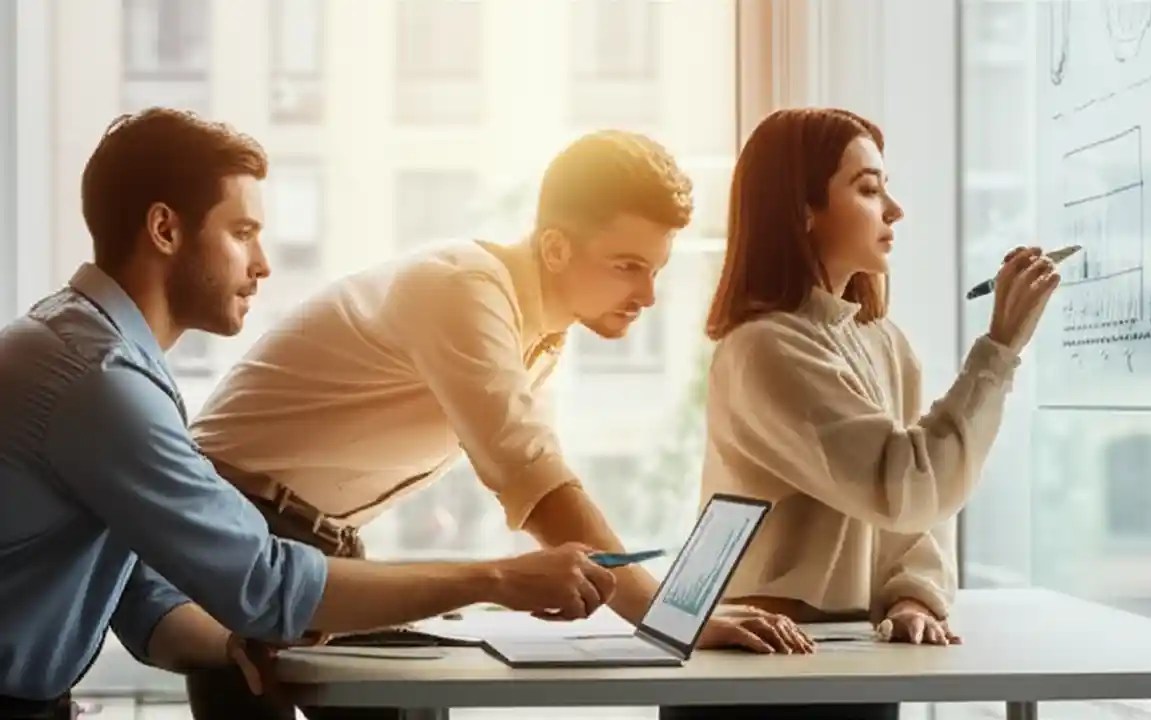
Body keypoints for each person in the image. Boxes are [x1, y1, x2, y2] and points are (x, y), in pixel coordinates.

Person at [0, 108, 618, 720]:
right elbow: (265, 583)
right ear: (164, 229)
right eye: (242, 233)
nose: (263, 263)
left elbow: (136, 594)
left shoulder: (95, 354)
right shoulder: (98, 379)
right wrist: (499, 581)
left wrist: (230, 645)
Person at [183, 128, 813, 718]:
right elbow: (531, 475)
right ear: (556, 247)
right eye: (627, 265)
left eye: (656, 269)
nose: (648, 294)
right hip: (232, 523)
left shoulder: (541, 333)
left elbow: (538, 471)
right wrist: (668, 612)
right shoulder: (464, 289)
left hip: (316, 537)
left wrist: (659, 604)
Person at [664, 107, 1062, 720]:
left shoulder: (884, 343)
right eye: (869, 189)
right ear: (803, 210)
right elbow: (902, 484)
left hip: (850, 656)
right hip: (754, 668)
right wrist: (999, 349)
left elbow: (921, 511)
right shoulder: (764, 348)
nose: (894, 210)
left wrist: (915, 597)